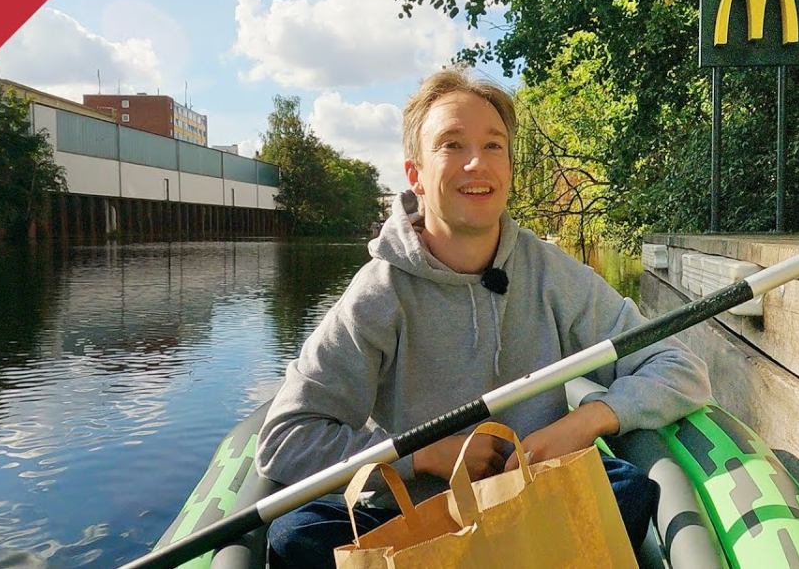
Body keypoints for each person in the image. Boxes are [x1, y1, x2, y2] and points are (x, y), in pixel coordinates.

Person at [257, 68, 711, 568]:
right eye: (452, 145)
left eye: (494, 146)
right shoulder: (378, 293)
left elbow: (679, 366)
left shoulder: (551, 274)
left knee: (626, 490)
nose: (477, 163)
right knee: (295, 535)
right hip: (412, 524)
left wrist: (584, 423)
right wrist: (427, 456)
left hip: (527, 506)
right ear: (416, 176)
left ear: (510, 169)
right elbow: (285, 439)